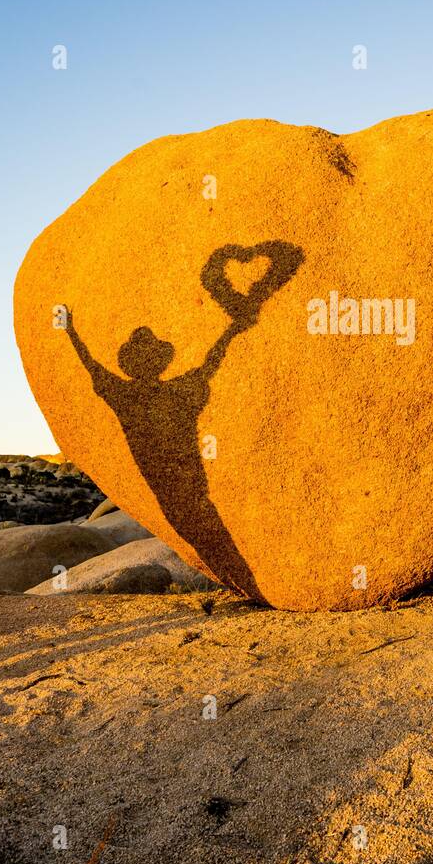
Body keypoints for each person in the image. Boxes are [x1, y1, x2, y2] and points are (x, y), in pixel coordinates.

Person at [63, 240, 304, 599]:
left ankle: (255, 584)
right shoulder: (169, 390)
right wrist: (232, 330)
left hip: (168, 487)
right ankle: (258, 584)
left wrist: (71, 332)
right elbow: (211, 363)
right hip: (190, 483)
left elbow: (93, 367)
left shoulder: (124, 395)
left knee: (203, 531)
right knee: (210, 530)